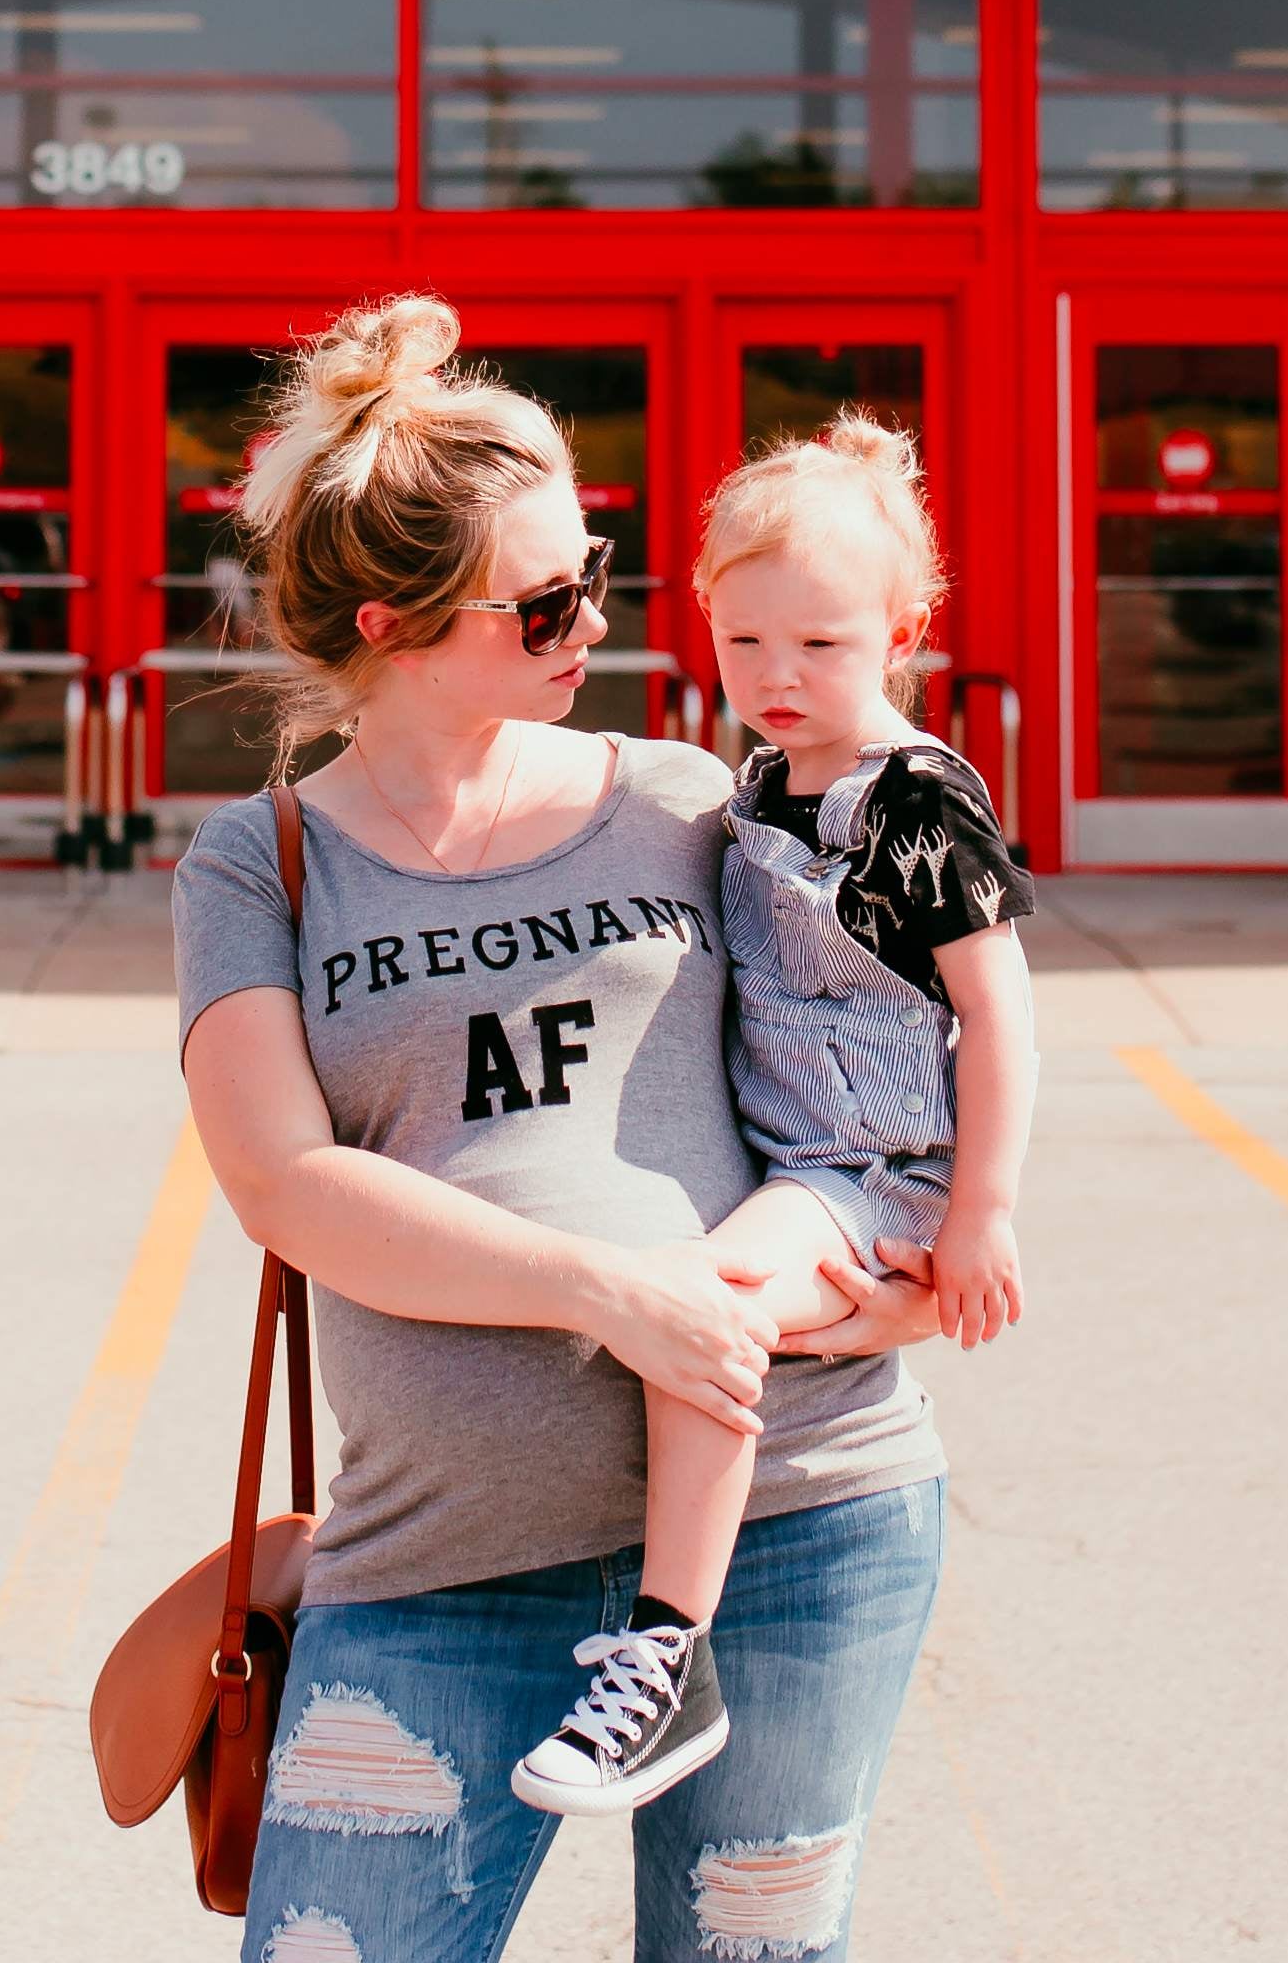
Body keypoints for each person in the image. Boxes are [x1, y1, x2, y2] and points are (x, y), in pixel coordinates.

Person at [177, 296, 955, 1963]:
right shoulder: (262, 863)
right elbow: (285, 1184)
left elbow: (888, 1054)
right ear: (395, 624)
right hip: (441, 1560)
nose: (591, 620)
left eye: (592, 572)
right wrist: (612, 1294)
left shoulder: (689, 799)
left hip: (797, 1515)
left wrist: (906, 1268)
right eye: (543, 602)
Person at [511, 413, 1035, 1820]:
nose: (777, 677)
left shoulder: (917, 804)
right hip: (800, 1162)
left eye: (820, 645)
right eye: (745, 642)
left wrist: (980, 1214)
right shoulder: (754, 789)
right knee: (714, 1303)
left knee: (711, 1307)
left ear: (903, 633)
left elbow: (999, 1016)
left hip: (876, 1165)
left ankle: (668, 1650)